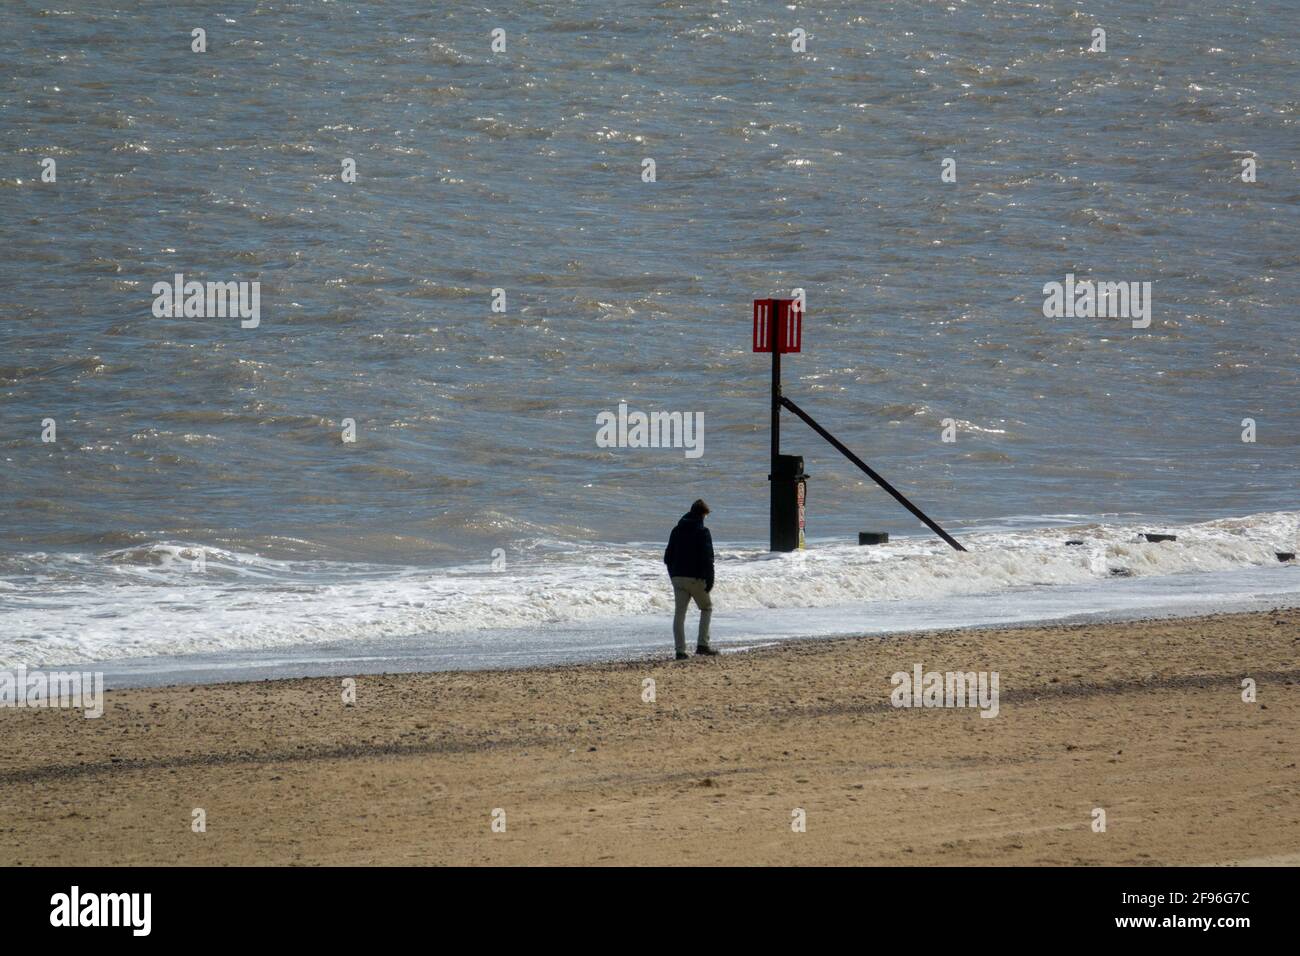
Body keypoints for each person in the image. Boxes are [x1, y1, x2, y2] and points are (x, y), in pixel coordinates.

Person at [663, 499, 717, 659]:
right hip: (696, 578)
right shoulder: (703, 532)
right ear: (702, 514)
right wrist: (710, 580)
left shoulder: (676, 530)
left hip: (678, 578)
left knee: (679, 614)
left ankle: (680, 651)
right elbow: (708, 559)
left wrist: (673, 575)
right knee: (706, 608)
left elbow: (667, 557)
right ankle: (702, 645)